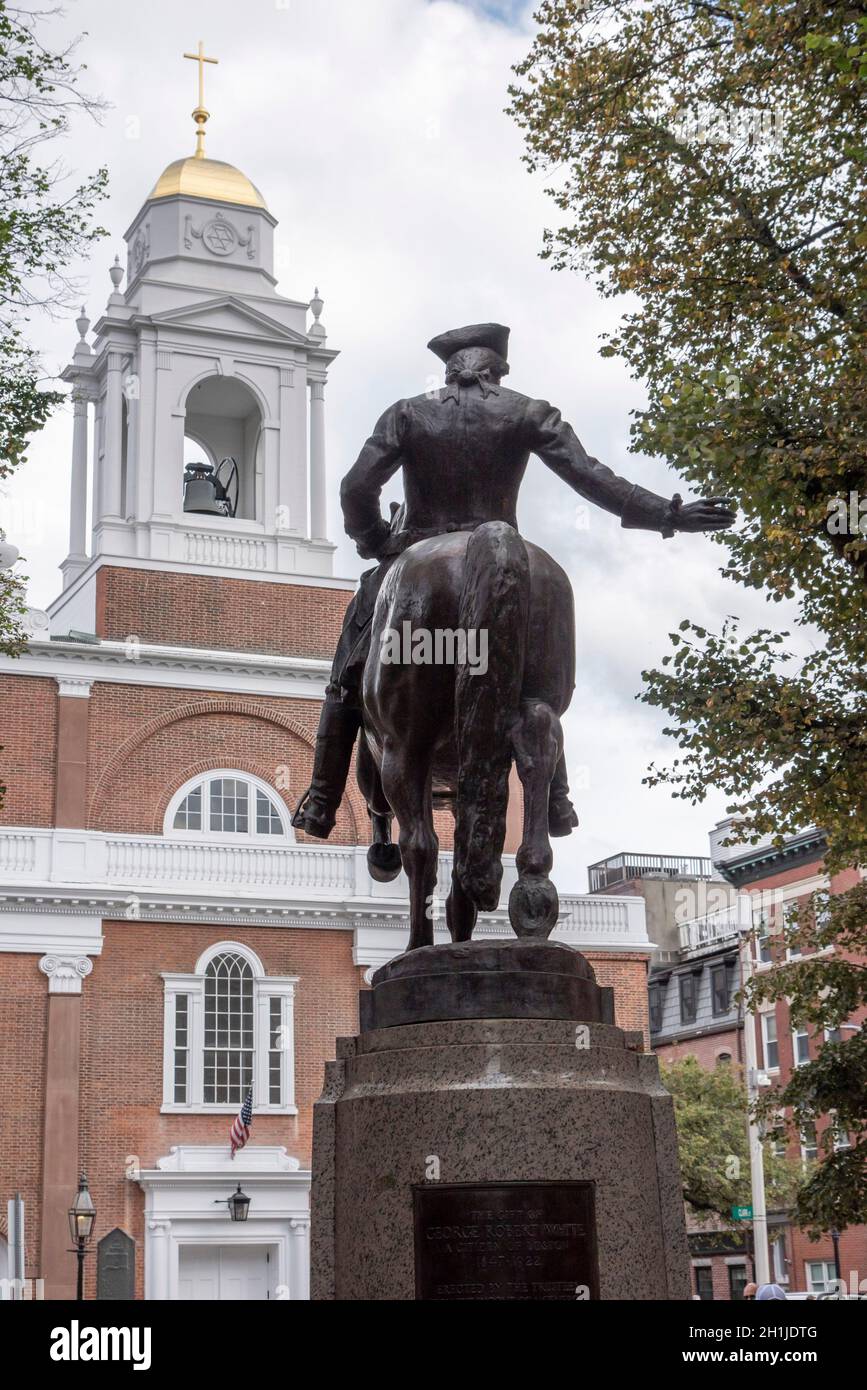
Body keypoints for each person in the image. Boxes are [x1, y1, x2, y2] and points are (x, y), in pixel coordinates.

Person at [292, 322, 734, 838]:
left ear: (449, 369)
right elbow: (592, 477)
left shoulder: (409, 412)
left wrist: (376, 542)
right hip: (510, 552)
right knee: (534, 675)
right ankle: (559, 795)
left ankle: (324, 795)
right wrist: (670, 514)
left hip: (414, 548)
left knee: (348, 670)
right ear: (497, 368)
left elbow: (355, 487)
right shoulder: (525, 410)